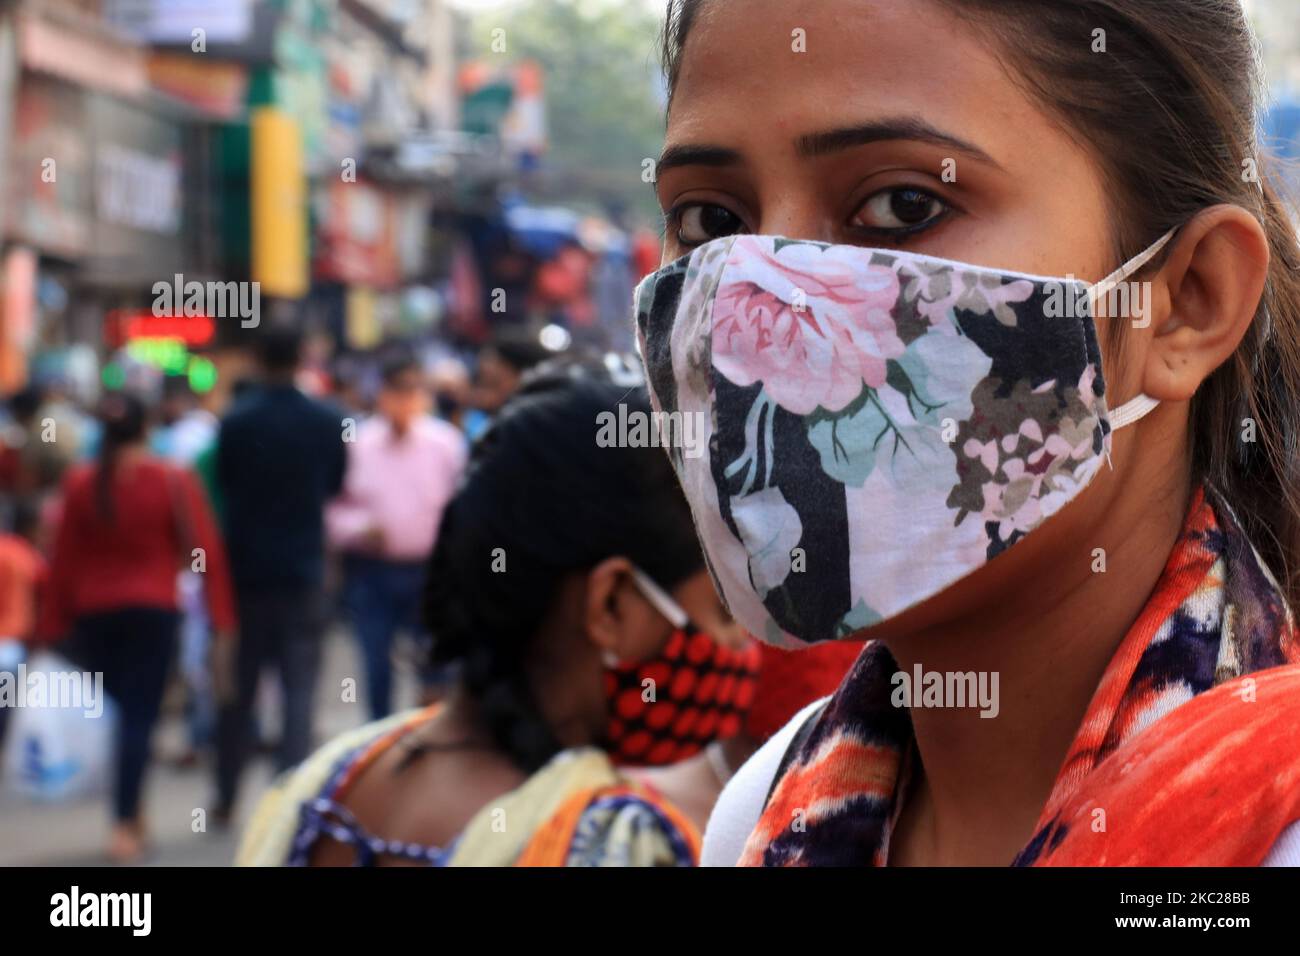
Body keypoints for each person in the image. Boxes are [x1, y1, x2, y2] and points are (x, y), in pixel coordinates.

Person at [646, 0, 1300, 866]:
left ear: (1185, 302)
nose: (760, 298)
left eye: (903, 203)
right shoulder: (763, 814)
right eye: (710, 222)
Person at [235, 364, 750, 866]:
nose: (740, 644)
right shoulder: (621, 841)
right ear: (610, 603)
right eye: (722, 609)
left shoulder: (325, 782)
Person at [41, 392, 236, 862]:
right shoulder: (172, 480)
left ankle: (130, 812)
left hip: (93, 617)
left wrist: (47, 630)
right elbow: (204, 552)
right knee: (138, 719)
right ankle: (126, 820)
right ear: (147, 429)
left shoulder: (80, 483)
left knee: (114, 718)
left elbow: (63, 561)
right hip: (154, 614)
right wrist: (222, 618)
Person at [213, 324, 347, 822]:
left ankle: (227, 794)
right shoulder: (325, 420)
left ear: (256, 358)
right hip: (303, 571)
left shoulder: (236, 421)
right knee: (298, 690)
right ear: (302, 358)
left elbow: (225, 485)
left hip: (245, 573)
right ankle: (288, 799)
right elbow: (334, 485)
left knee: (238, 691)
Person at [327, 353, 468, 718]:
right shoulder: (356, 443)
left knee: (435, 667)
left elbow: (461, 504)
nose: (405, 400)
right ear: (382, 394)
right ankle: (380, 737)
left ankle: (430, 744)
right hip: (372, 572)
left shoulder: (446, 443)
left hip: (429, 571)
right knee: (376, 664)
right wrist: (358, 529)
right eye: (397, 391)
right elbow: (332, 510)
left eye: (413, 391)